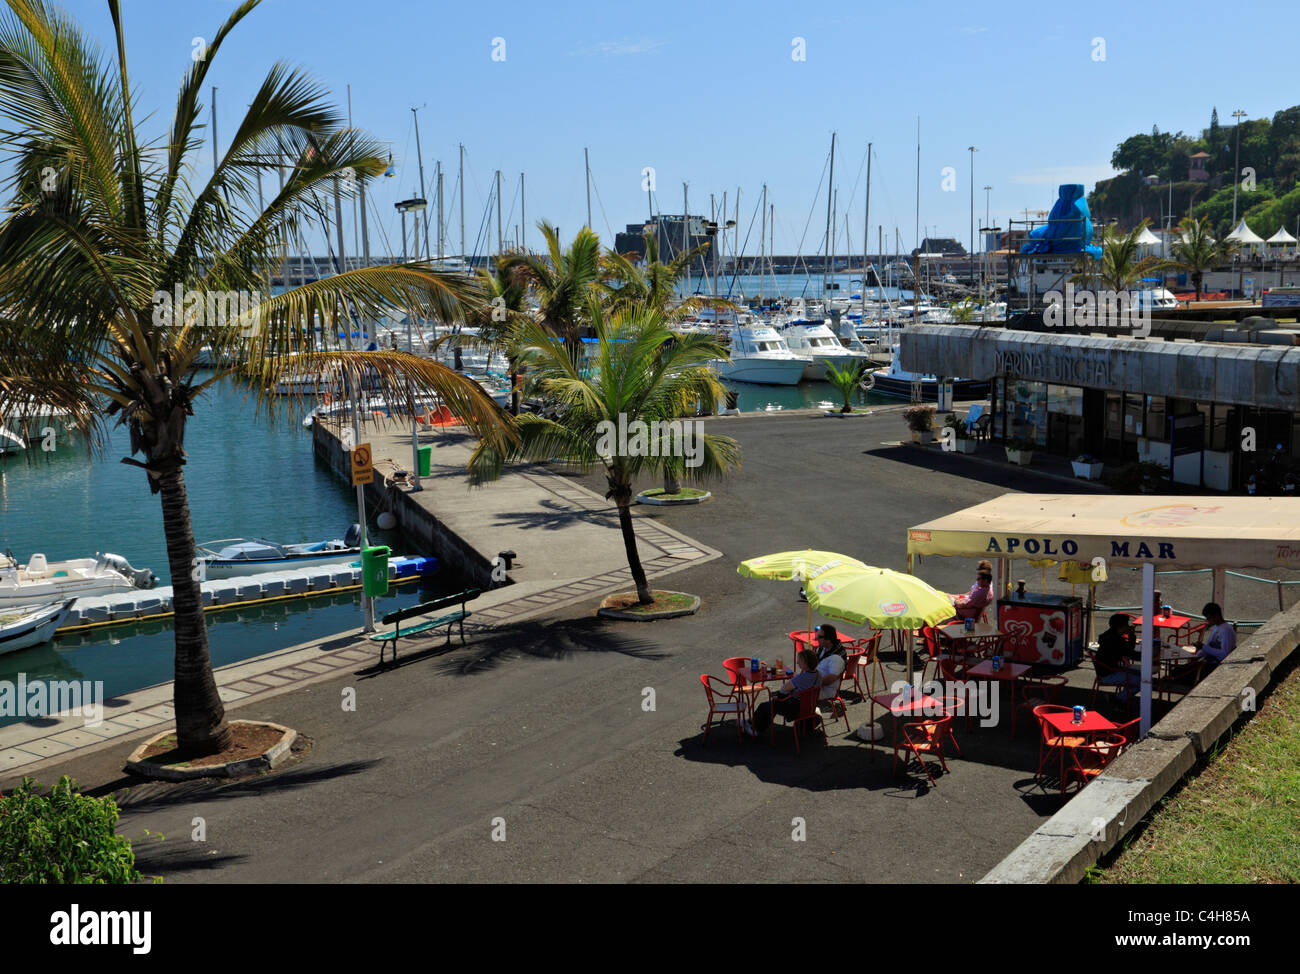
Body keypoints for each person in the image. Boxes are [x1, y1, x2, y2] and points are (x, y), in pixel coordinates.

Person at [922, 560, 995, 656]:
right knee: (943, 596)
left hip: (962, 616)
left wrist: (954, 600)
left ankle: (937, 640)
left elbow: (964, 604)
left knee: (936, 618)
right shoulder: (986, 588)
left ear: (985, 579)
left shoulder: (980, 593)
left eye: (979, 578)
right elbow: (969, 595)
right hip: (967, 611)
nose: (977, 579)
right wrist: (955, 596)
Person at [747, 649, 821, 736]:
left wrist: (778, 696)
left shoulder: (801, 678)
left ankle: (754, 728)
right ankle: (755, 725)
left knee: (765, 706)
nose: (797, 663)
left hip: (795, 708)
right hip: (809, 707)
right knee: (772, 705)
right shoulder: (818, 674)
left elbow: (783, 689)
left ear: (805, 663)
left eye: (799, 660)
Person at [1094, 613, 1141, 696]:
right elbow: (1131, 653)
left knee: (1138, 674)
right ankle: (1118, 699)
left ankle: (1121, 699)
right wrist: (1132, 636)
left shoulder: (1109, 635)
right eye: (1127, 624)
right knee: (1141, 681)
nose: (1129, 626)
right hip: (1108, 674)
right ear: (1120, 627)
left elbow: (1128, 651)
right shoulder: (1116, 641)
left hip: (1106, 671)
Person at [813, 624, 847, 704]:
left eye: (820, 637)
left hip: (825, 690)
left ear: (828, 639)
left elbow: (831, 679)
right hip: (816, 684)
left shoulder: (837, 658)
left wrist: (810, 681)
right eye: (817, 635)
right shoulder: (823, 647)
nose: (816, 638)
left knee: (796, 695)